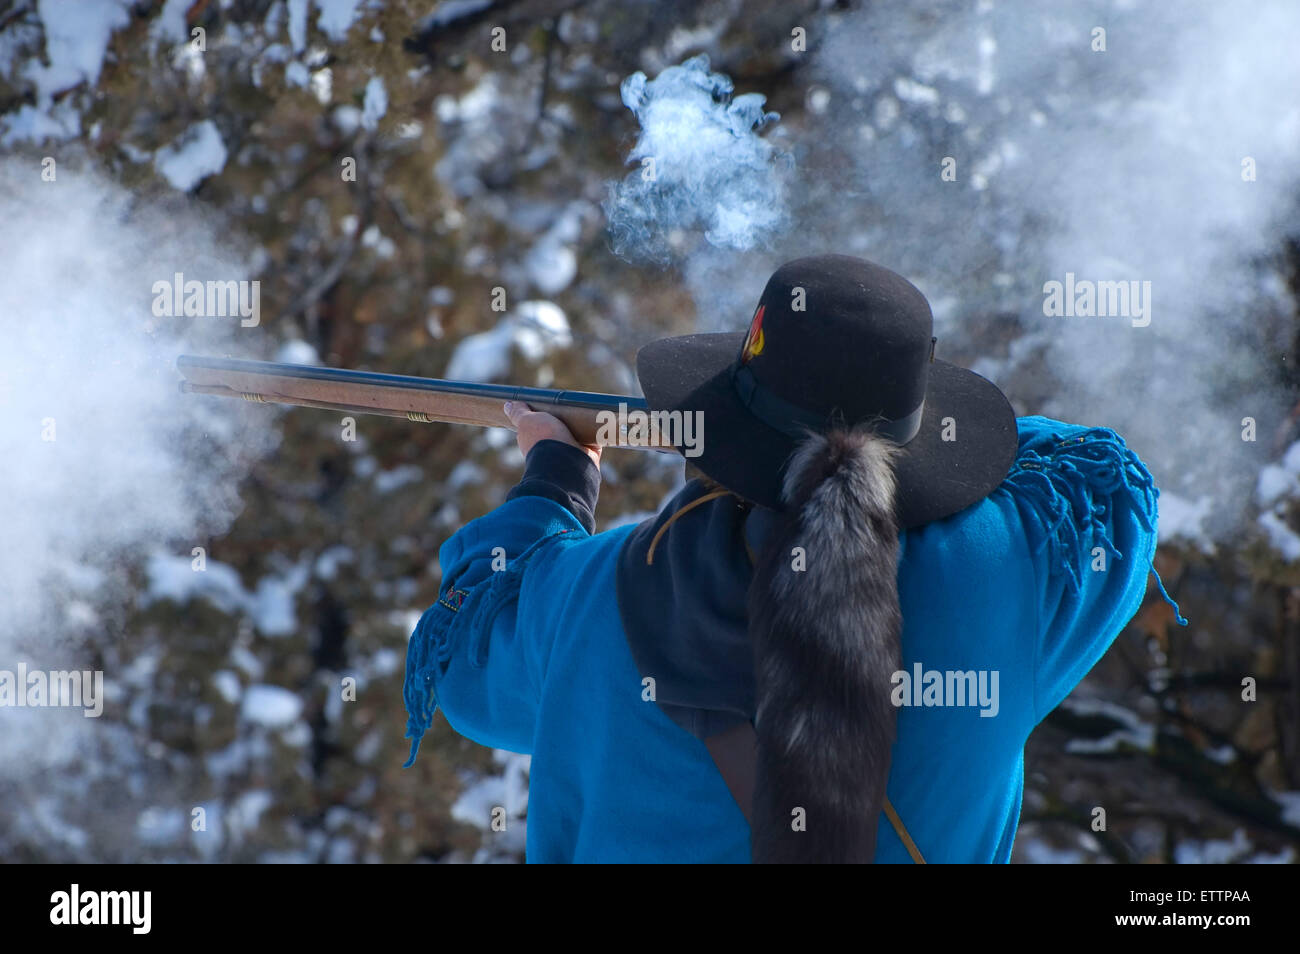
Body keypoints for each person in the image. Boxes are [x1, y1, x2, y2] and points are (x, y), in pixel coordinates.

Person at [400, 254, 1184, 863]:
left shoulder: (589, 592)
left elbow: (460, 661)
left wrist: (556, 483)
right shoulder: (1014, 563)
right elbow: (1110, 480)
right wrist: (954, 447)